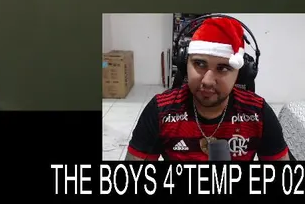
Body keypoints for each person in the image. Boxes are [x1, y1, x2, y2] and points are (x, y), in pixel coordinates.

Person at [125, 16, 291, 161]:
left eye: (223, 68)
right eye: (199, 64)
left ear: (240, 74)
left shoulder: (258, 114)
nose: (208, 81)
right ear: (185, 64)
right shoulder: (160, 111)